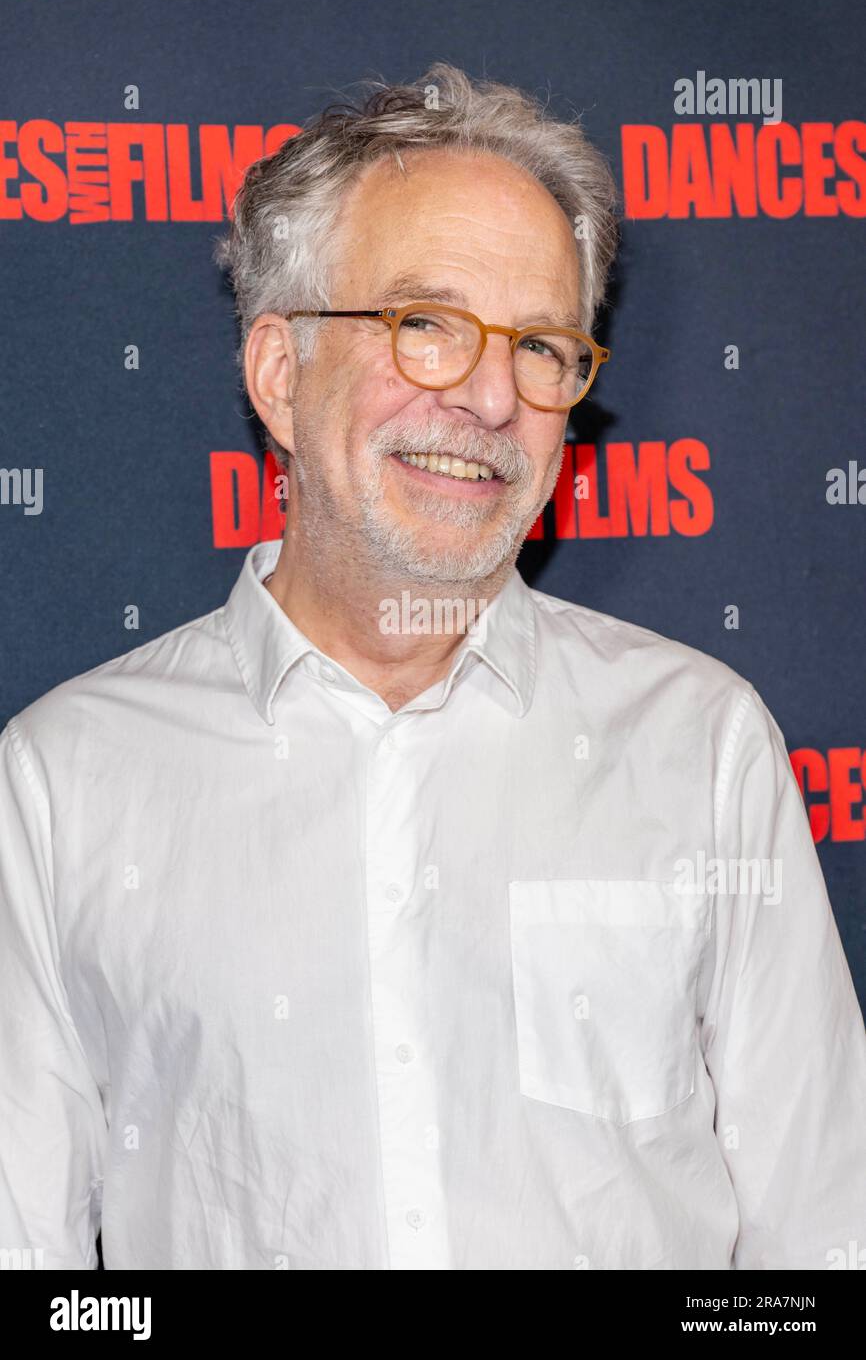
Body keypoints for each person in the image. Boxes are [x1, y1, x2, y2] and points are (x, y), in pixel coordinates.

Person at [1, 63, 864, 1271]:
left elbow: (823, 1245)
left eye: (543, 344)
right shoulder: (62, 786)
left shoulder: (700, 745)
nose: (493, 396)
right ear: (278, 373)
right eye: (425, 326)